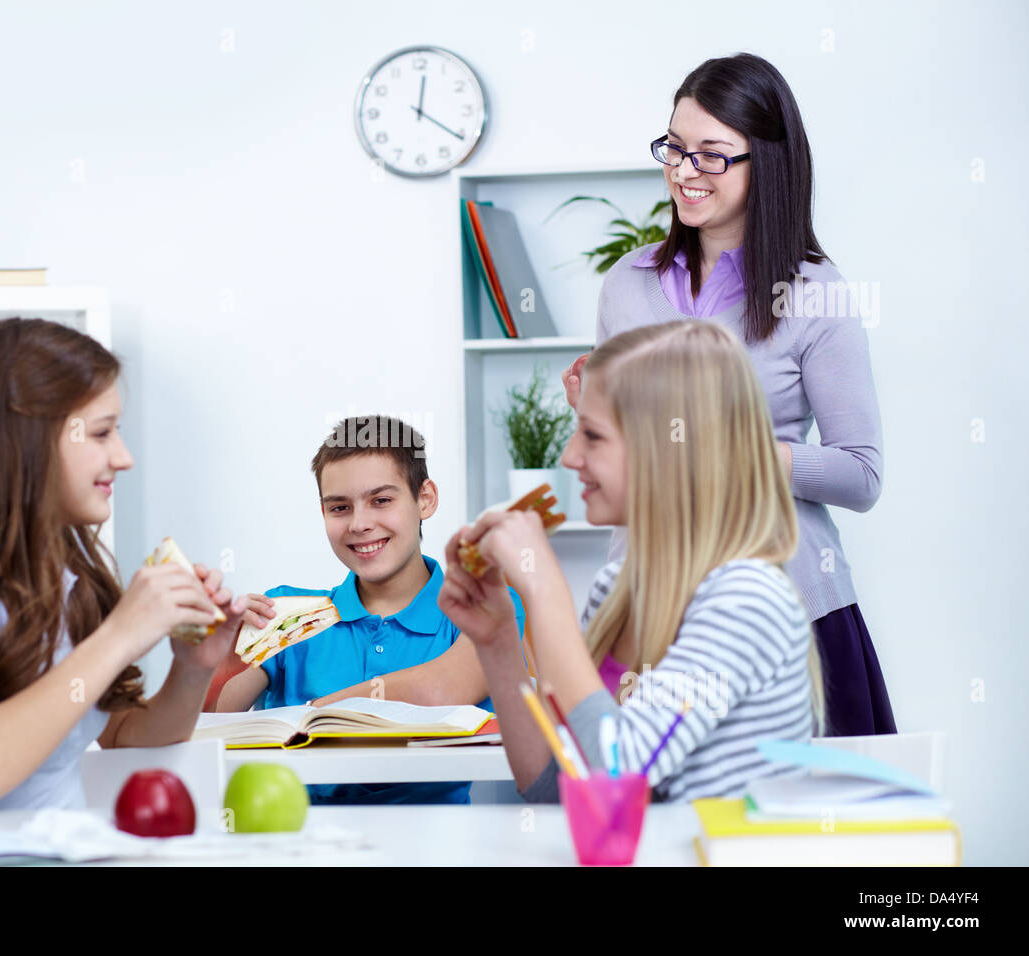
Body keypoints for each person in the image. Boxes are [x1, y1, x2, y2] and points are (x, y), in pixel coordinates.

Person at [561, 52, 894, 735]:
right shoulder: (628, 282)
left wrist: (735, 450)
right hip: (644, 605)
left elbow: (861, 475)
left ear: (765, 160)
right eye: (675, 148)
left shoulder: (812, 291)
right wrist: (602, 420)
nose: (684, 172)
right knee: (636, 817)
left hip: (788, 606)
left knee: (801, 837)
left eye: (711, 155)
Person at [0, 318, 256, 816]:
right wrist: (119, 635)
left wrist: (192, 668)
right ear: (25, 441)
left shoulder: (69, 582)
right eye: (101, 433)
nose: (124, 458)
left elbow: (123, 736)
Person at [444, 321, 823, 802]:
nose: (568, 457)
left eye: (592, 436)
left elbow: (617, 780)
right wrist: (497, 640)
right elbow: (553, 789)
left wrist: (545, 591)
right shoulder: (615, 589)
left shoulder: (746, 598)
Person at [216, 415, 526, 804]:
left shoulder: (487, 605)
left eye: (381, 500)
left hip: (436, 845)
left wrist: (313, 715)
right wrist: (224, 654)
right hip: (300, 842)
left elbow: (442, 690)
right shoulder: (286, 617)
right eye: (340, 508)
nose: (360, 524)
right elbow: (212, 724)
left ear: (424, 499)